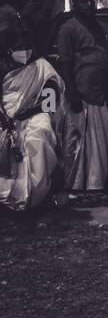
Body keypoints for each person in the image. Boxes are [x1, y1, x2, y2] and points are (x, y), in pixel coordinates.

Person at [0, 15, 64, 211]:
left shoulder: (41, 67)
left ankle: (34, 196)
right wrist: (4, 118)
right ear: (9, 48)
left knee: (38, 137)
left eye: (27, 46)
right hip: (6, 116)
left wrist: (29, 112)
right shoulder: (3, 67)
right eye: (18, 47)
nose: (24, 51)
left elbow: (50, 101)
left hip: (34, 114)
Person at [53, 0, 108, 195]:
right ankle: (76, 188)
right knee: (77, 144)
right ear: (74, 5)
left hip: (99, 93)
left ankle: (95, 187)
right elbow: (65, 63)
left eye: (91, 1)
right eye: (84, 2)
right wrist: (72, 91)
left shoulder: (97, 27)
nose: (89, 5)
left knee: (98, 144)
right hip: (81, 92)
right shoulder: (68, 28)